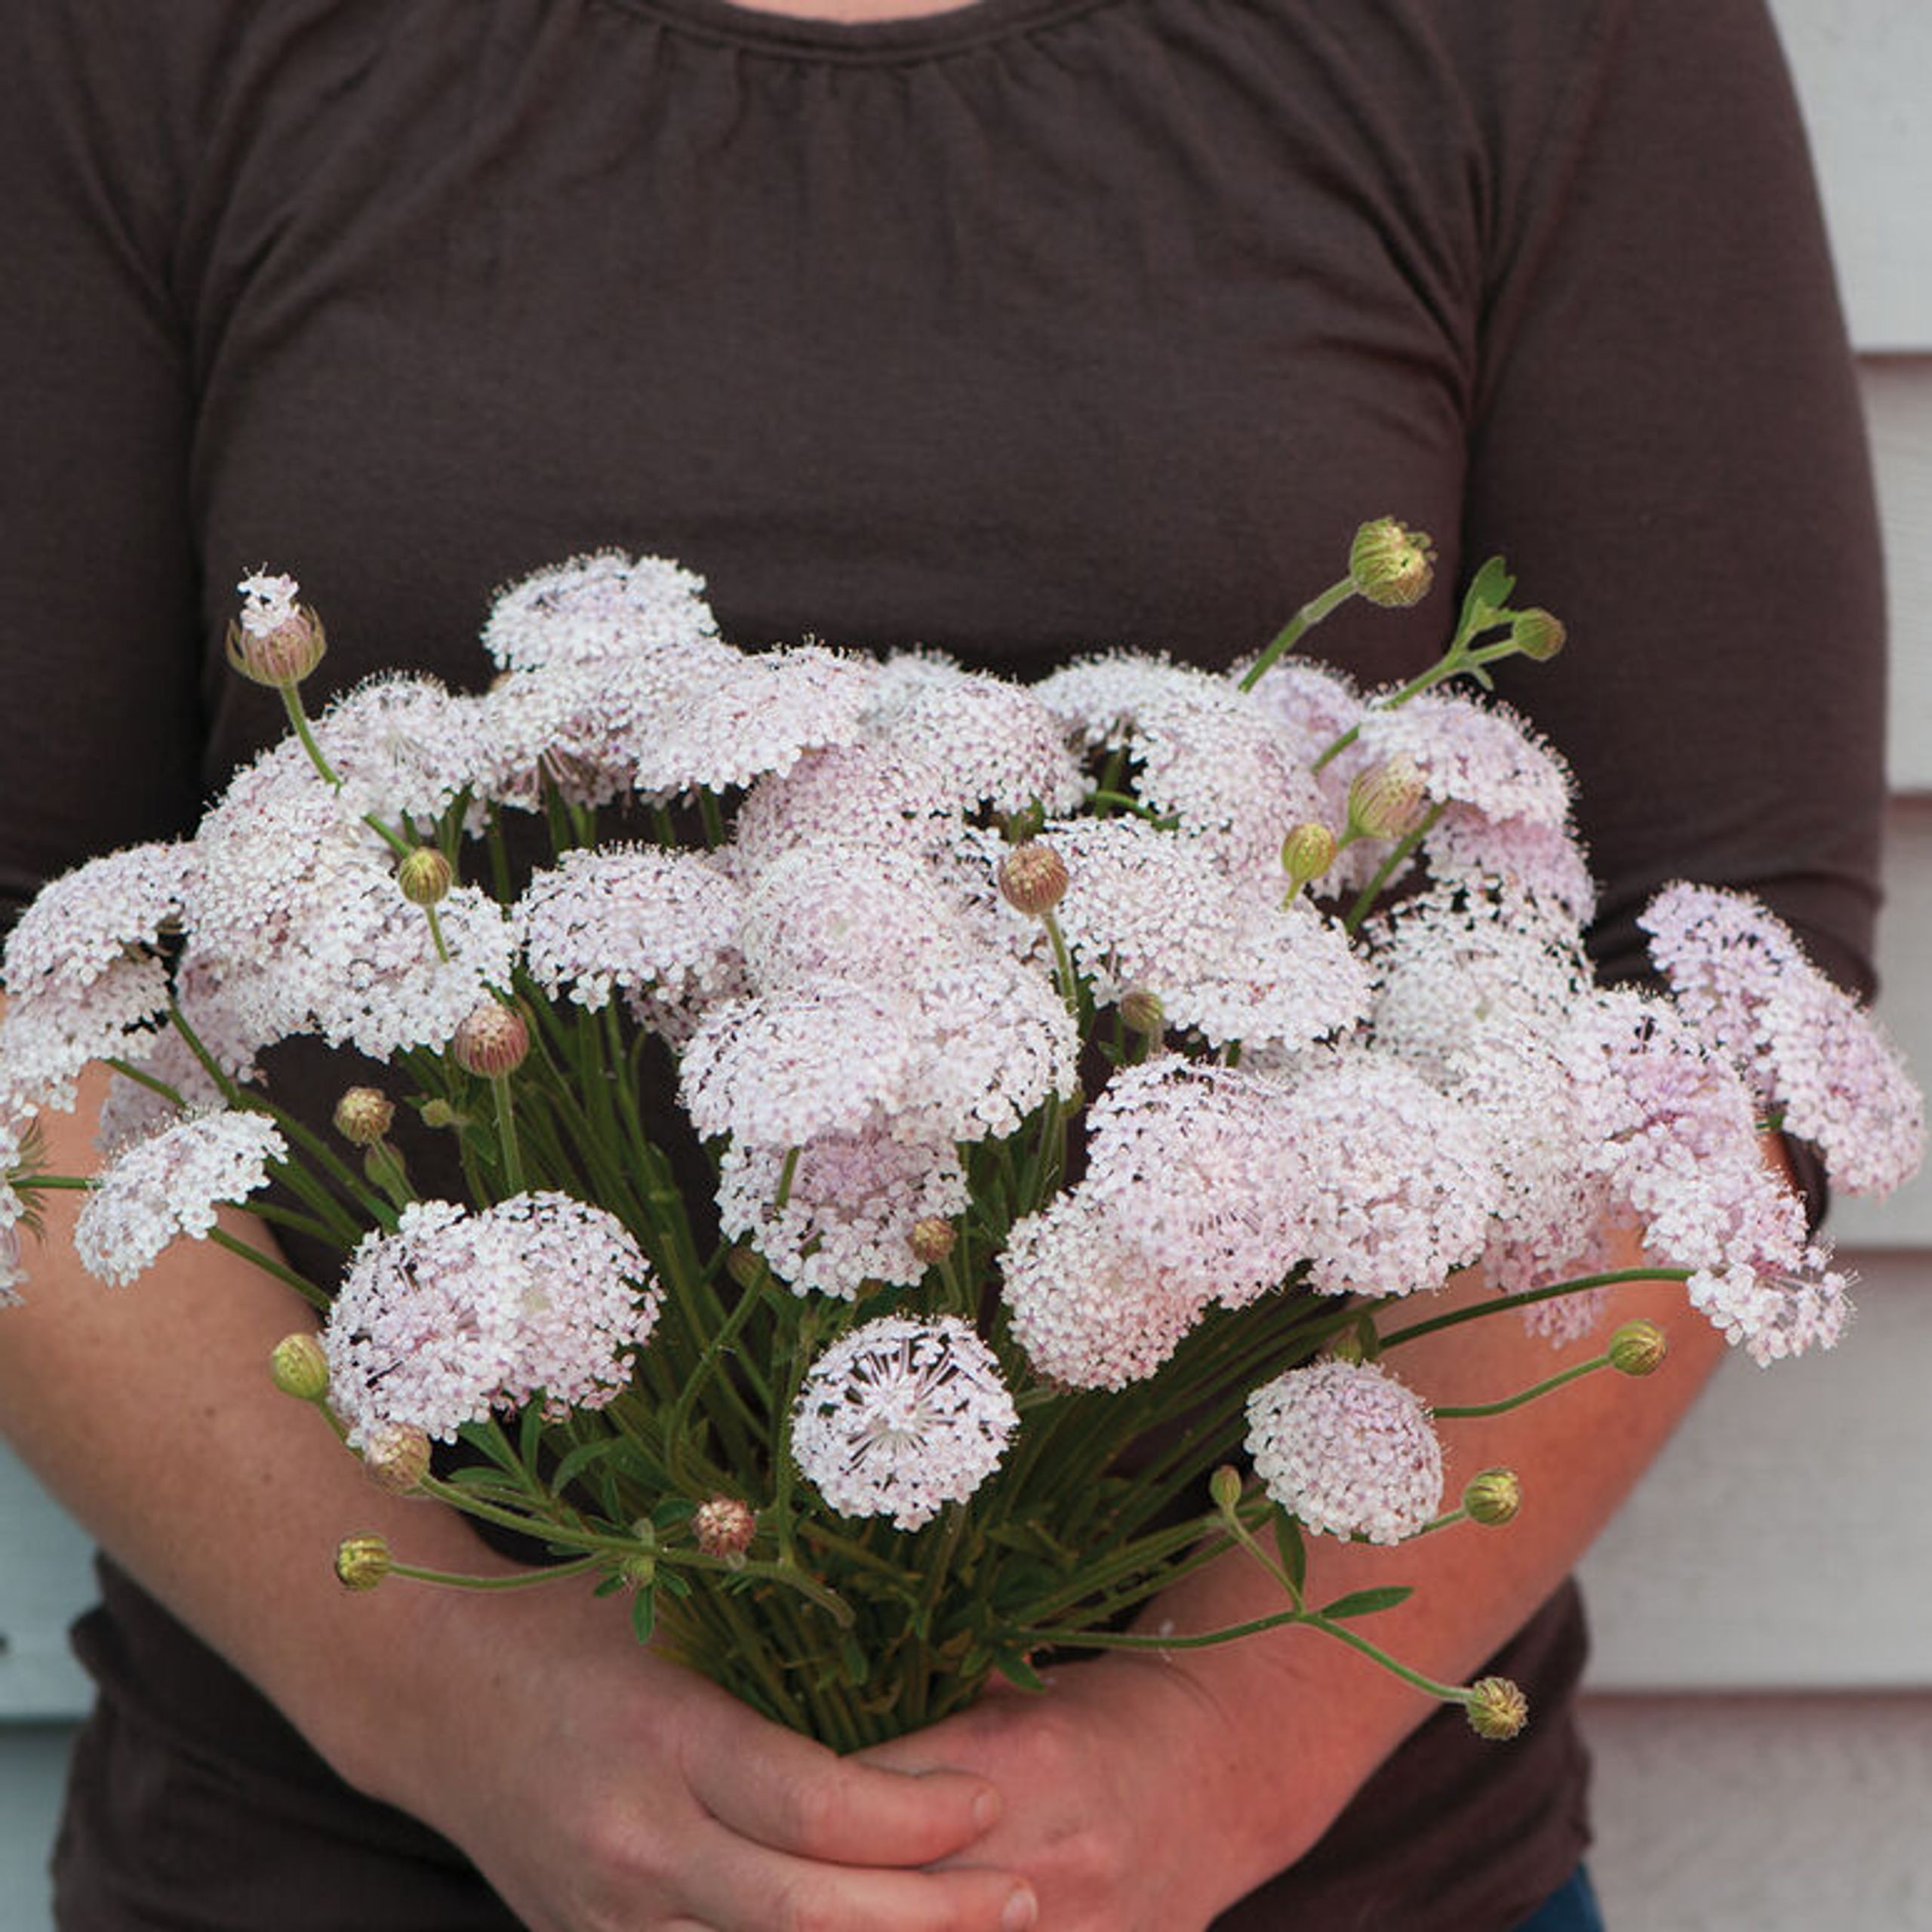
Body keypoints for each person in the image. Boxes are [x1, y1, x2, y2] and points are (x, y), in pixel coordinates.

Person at [0, 0, 1884, 1925]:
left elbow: (1727, 970)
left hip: (1315, 1871)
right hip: (337, 1855)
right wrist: (461, 1697)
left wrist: (1225, 1739)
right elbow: (20, 963)